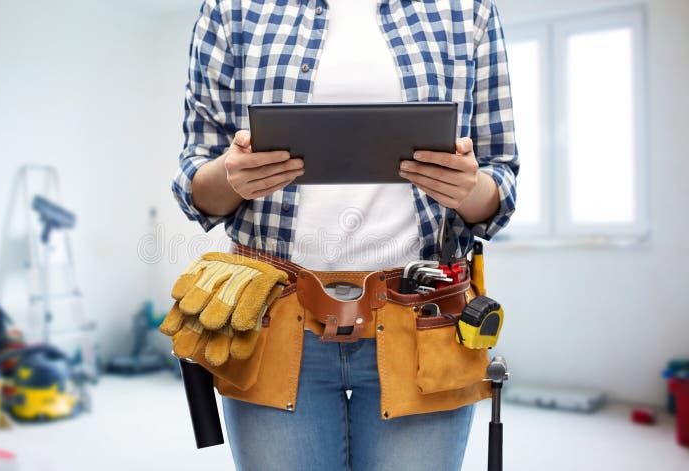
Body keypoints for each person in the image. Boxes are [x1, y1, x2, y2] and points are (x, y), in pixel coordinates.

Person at [172, 1, 519, 469]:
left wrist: (468, 188)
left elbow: (500, 178)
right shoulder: (232, 9)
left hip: (423, 318)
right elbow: (197, 184)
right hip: (273, 317)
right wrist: (230, 177)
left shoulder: (467, 9)